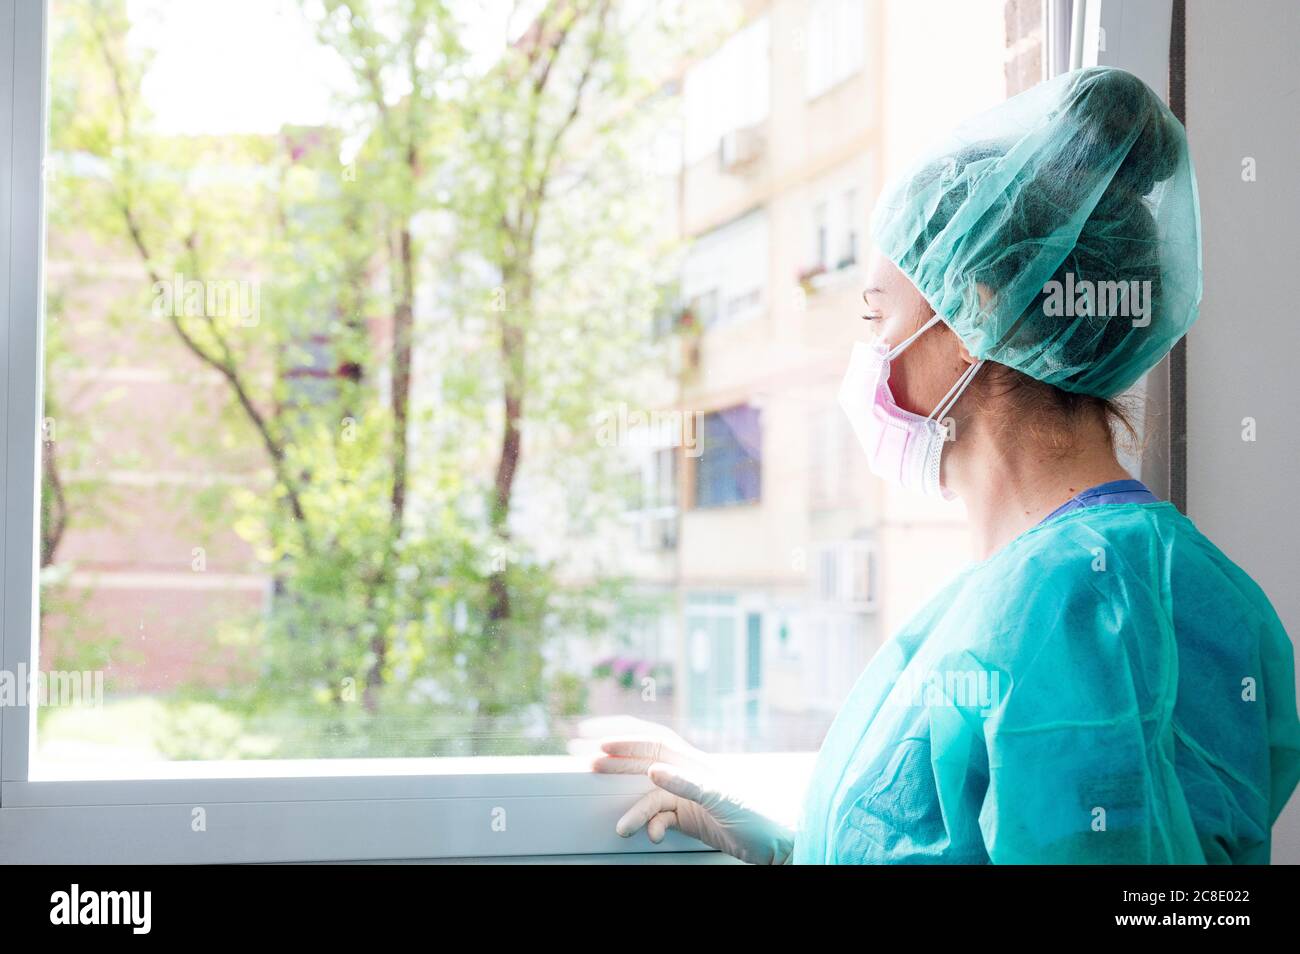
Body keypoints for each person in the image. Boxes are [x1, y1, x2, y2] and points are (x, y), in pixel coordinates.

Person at [592, 67, 1300, 863]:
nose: (865, 354)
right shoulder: (1061, 588)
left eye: (877, 315)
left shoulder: (1075, 607)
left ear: (975, 314)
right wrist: (795, 842)